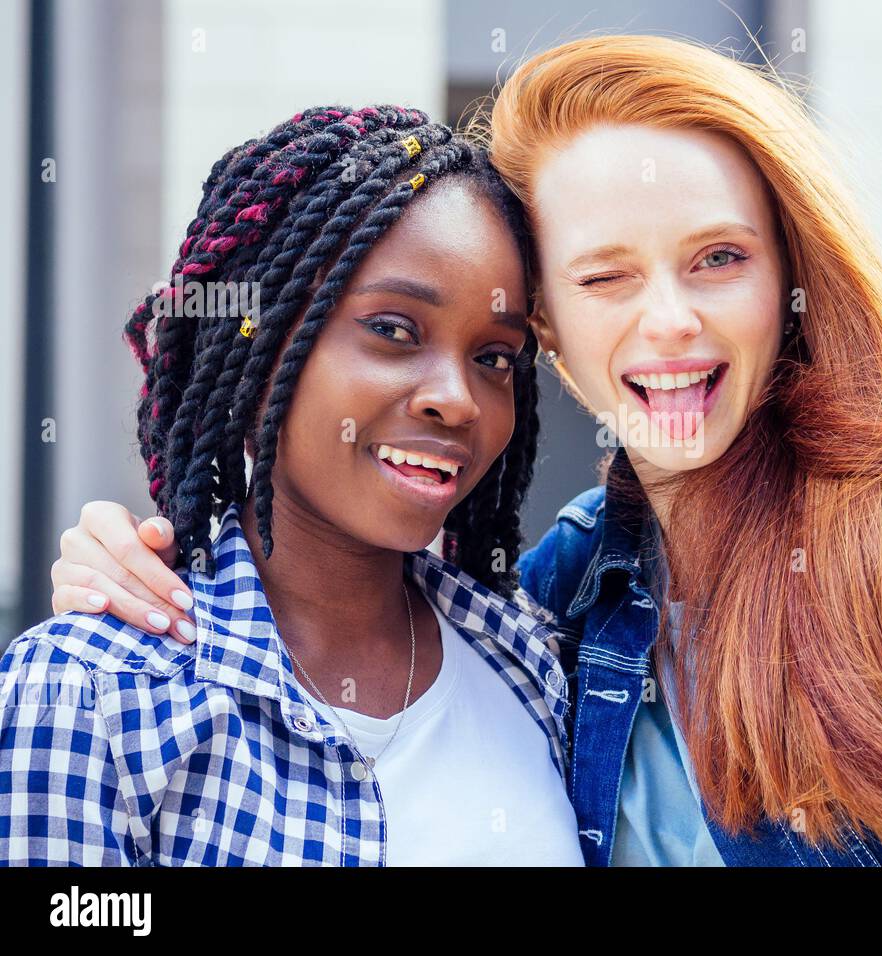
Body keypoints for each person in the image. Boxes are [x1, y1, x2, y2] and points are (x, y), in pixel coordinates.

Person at [49, 38, 882, 867]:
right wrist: (138, 568)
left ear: (788, 281)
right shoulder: (547, 606)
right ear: (547, 328)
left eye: (718, 259)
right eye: (606, 276)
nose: (670, 320)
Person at [5, 106, 581, 865]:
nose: (458, 398)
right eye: (394, 330)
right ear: (260, 346)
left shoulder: (532, 664)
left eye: (496, 358)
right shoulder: (92, 694)